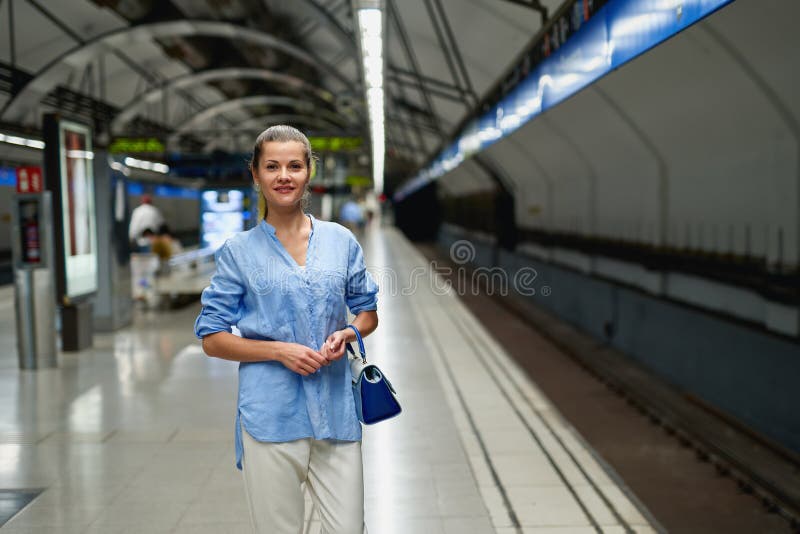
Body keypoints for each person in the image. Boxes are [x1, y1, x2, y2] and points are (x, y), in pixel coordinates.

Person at [194, 125, 379, 534]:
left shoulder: (340, 241)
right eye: (272, 166)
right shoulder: (238, 252)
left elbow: (367, 312)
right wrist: (279, 351)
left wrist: (349, 332)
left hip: (336, 412)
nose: (284, 176)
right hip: (270, 416)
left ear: (309, 172)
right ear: (256, 174)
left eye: (294, 166)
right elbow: (212, 337)